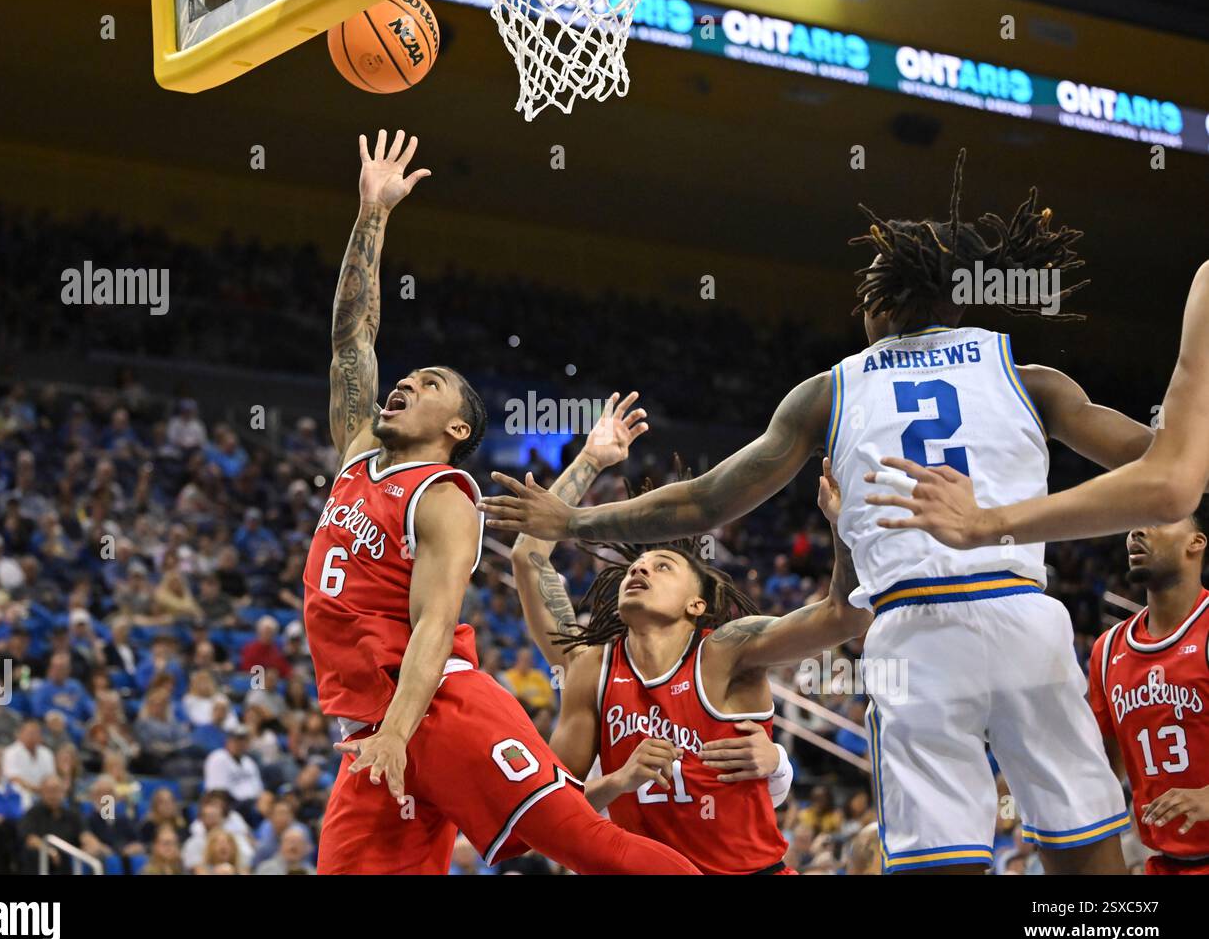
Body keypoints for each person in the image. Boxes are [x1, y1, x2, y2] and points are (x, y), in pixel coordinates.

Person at [484, 153, 1140, 874]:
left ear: (877, 306)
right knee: (1084, 848)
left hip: (915, 634)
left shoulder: (830, 392)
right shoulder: (1029, 375)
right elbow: (1157, 461)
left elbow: (705, 498)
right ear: (960, 304)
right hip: (1022, 614)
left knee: (940, 860)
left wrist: (574, 521)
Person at [308, 130, 696, 875]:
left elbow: (433, 624)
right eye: (410, 375)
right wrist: (373, 213)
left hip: (439, 710)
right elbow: (352, 336)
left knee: (589, 846)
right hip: (373, 723)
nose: (409, 381)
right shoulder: (360, 455)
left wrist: (399, 730)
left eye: (431, 383)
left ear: (457, 429)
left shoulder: (443, 495)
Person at [512, 396, 863, 873]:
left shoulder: (727, 652)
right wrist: (593, 457)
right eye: (636, 565)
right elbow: (548, 809)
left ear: (696, 605)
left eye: (662, 566)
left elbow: (845, 616)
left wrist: (844, 527)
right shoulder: (593, 668)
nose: (640, 569)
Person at [863, 259, 1209, 547]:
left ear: (879, 306)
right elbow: (1173, 466)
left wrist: (984, 523)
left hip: (914, 600)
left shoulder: (833, 390)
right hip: (1016, 602)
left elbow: (1173, 477)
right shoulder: (1029, 383)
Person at [1088, 501, 1209, 875]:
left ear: (1196, 543)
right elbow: (1104, 767)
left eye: (1157, 522)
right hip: (1160, 863)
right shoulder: (1107, 650)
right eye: (1133, 523)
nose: (1136, 532)